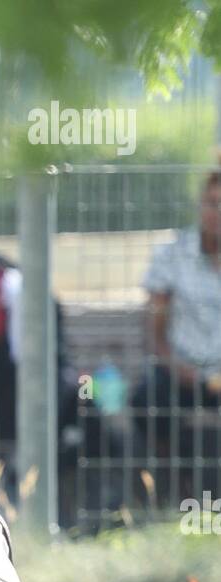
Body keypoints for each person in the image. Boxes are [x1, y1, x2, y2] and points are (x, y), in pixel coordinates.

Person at [130, 169, 221, 486]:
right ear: (200, 205)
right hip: (182, 374)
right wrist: (175, 365)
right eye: (212, 203)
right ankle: (168, 483)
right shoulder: (172, 253)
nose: (217, 212)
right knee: (147, 400)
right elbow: (155, 329)